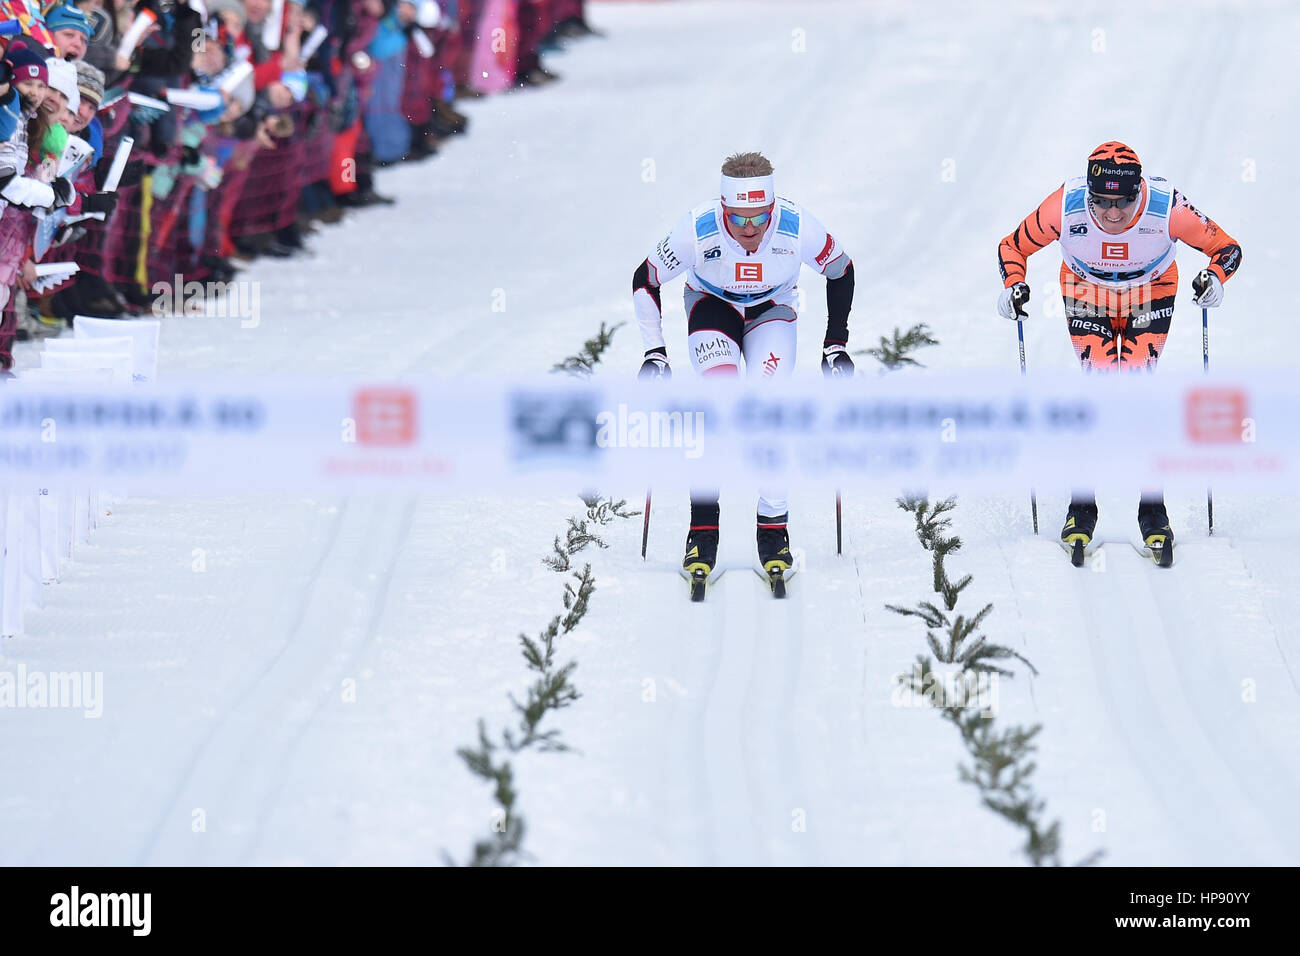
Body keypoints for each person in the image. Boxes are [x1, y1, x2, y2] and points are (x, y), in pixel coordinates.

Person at [996, 141, 1243, 557]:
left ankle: (1152, 512)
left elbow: (1228, 248)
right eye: (1102, 202)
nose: (1113, 214)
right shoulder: (1066, 205)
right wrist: (1012, 286)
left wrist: (1216, 277)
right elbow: (1011, 246)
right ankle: (1081, 508)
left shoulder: (1167, 208)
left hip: (1152, 289)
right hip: (1085, 290)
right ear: (1088, 194)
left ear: (1139, 191)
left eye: (1124, 202)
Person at [632, 150, 855, 579]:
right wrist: (654, 352)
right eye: (739, 219)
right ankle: (702, 531)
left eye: (760, 218)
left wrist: (835, 344)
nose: (751, 230)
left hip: (771, 309)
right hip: (712, 306)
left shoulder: (797, 226)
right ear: (723, 210)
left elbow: (841, 271)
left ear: (773, 208)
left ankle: (774, 533)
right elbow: (646, 278)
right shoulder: (696, 230)